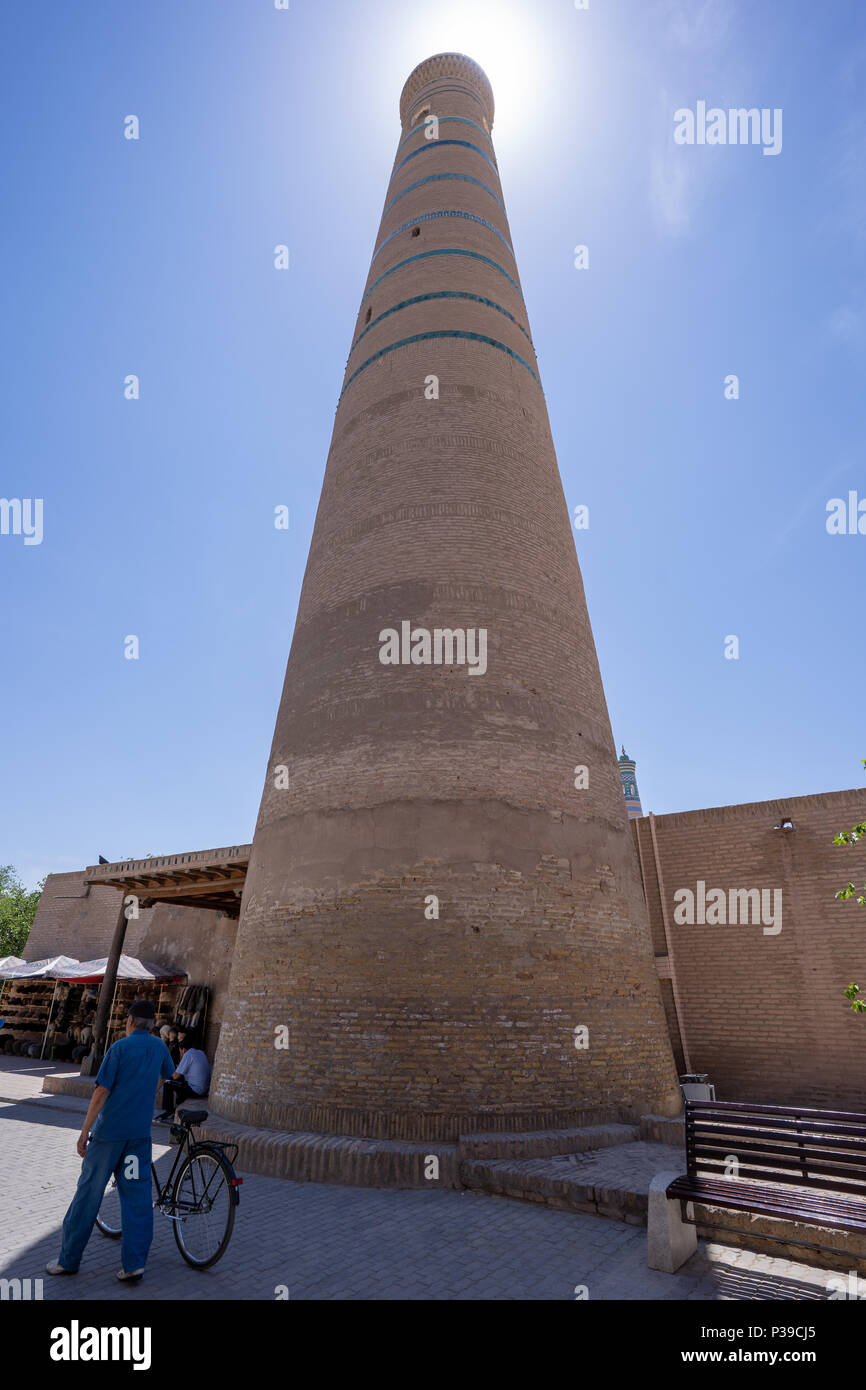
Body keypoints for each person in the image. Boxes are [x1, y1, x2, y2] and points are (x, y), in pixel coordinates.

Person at [46, 998, 175, 1283]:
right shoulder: (159, 1047)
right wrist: (146, 1091)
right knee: (137, 1198)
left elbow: (101, 1091)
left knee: (88, 1196)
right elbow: (168, 1075)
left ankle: (68, 1260)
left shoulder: (119, 1048)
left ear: (129, 1022)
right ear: (151, 1025)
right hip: (138, 1138)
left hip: (108, 1138)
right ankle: (134, 1265)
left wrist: (84, 1131)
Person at [154, 1032, 211, 1123]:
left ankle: (168, 1110)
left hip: (195, 1091)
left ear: (183, 1049)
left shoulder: (188, 1054)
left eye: (180, 1051)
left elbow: (175, 1076)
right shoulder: (200, 1052)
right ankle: (179, 1104)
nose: (180, 1054)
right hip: (204, 1090)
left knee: (169, 1081)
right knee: (179, 1082)